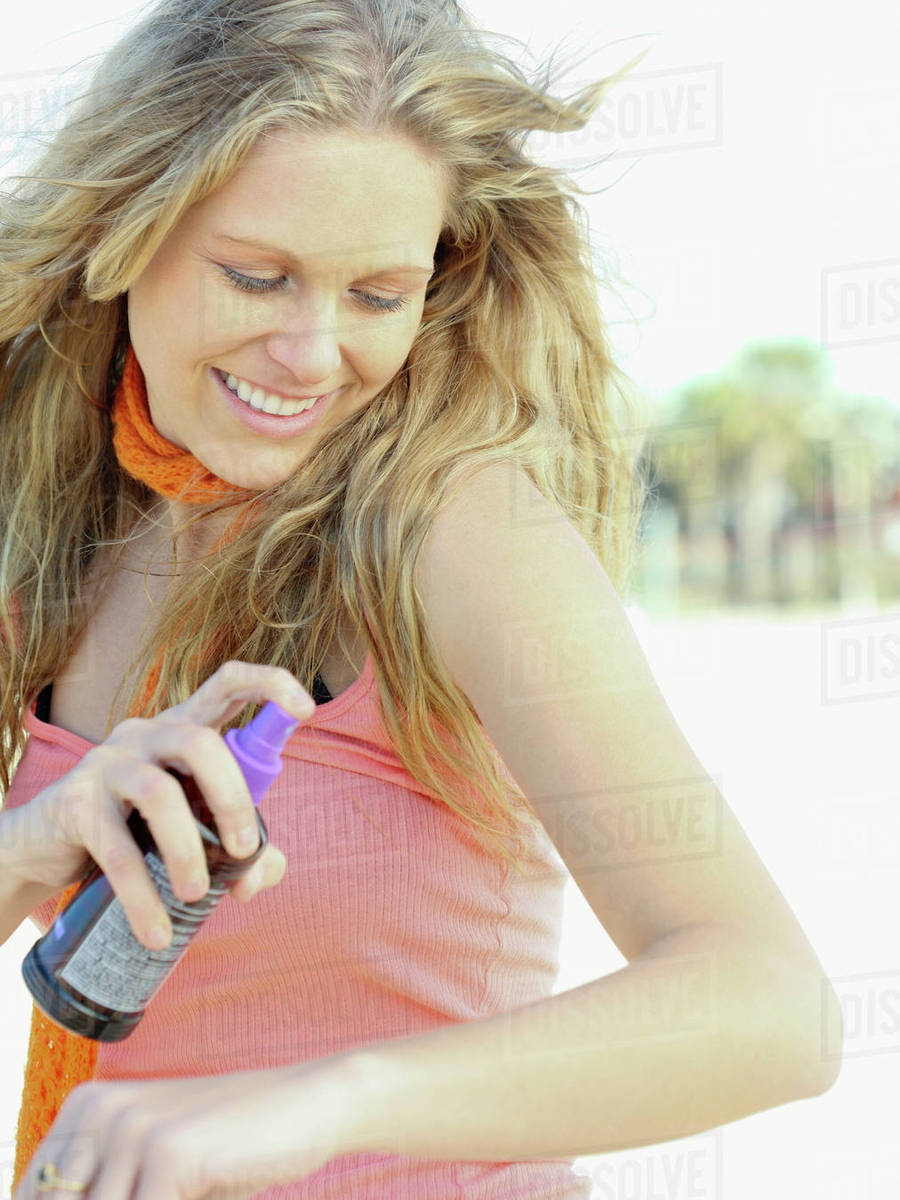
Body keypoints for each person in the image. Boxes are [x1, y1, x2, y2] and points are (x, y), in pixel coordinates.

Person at [0, 1, 842, 1196]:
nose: (311, 351)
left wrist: (335, 1098)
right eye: (258, 276)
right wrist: (36, 843)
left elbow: (776, 1008)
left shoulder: (457, 528)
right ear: (123, 229)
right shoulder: (61, 541)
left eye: (379, 294)